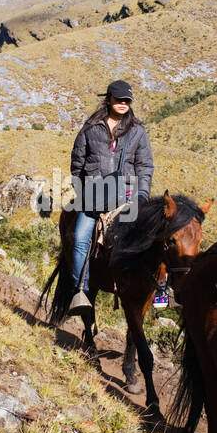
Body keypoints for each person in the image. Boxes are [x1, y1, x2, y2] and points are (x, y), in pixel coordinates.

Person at [67, 79, 154, 315]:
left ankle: (160, 292)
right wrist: (85, 191)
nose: (124, 103)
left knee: (150, 239)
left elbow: (144, 166)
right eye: (119, 99)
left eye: (127, 100)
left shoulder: (137, 131)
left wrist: (142, 194)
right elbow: (77, 163)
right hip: (94, 197)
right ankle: (80, 291)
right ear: (109, 99)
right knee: (81, 239)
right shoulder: (90, 127)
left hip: (127, 195)